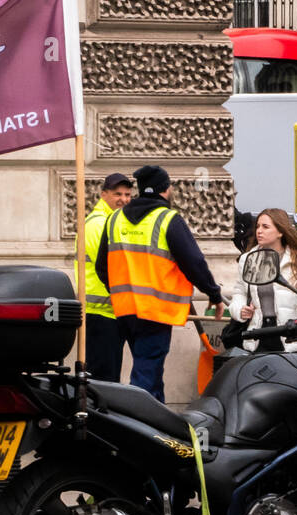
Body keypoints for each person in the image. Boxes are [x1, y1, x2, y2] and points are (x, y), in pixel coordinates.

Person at [96, 164, 224, 401]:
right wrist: (213, 294)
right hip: (155, 312)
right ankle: (139, 428)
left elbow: (101, 268)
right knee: (145, 375)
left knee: (151, 372)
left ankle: (160, 428)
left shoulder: (114, 219)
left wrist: (119, 292)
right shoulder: (168, 219)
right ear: (164, 190)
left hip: (125, 310)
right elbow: (194, 262)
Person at [230, 208, 297, 353]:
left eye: (265, 227)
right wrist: (240, 310)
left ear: (280, 232)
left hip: (291, 338)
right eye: (258, 226)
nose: (259, 231)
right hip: (258, 335)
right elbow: (239, 292)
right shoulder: (248, 259)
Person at [83, 173, 133, 382]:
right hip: (101, 313)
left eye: (128, 194)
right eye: (117, 194)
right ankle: (94, 415)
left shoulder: (111, 221)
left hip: (108, 311)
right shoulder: (99, 224)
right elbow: (111, 267)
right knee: (103, 379)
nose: (123, 199)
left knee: (106, 376)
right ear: (104, 195)